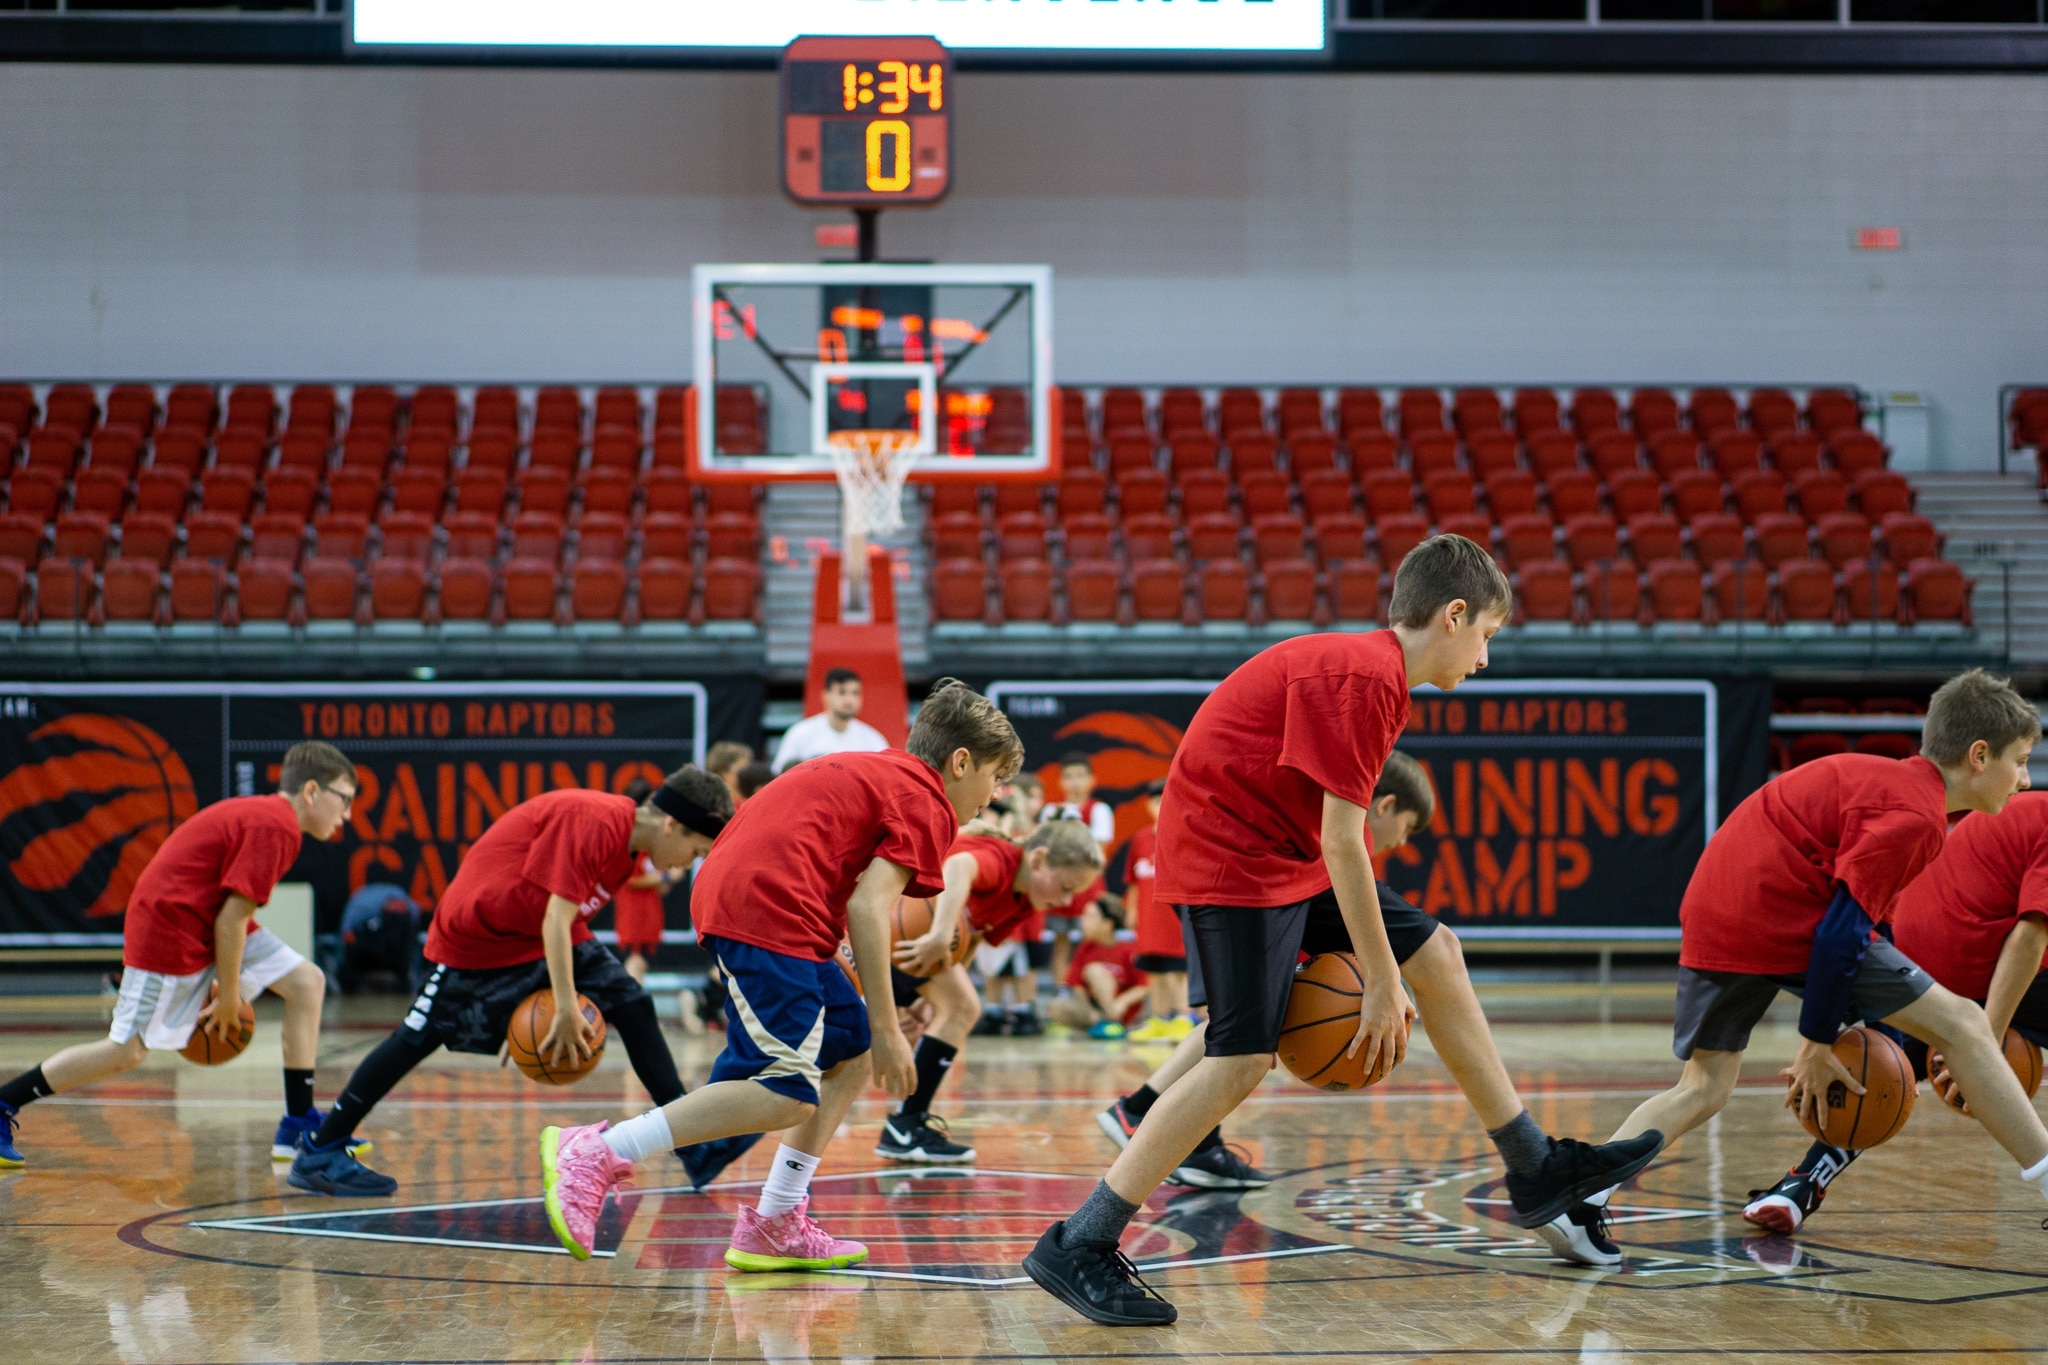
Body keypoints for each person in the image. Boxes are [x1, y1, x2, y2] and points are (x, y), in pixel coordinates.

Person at [1021, 535, 1661, 1328]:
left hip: (1276, 846)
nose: (1487, 658)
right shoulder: (1367, 677)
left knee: (1438, 949)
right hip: (1233, 851)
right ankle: (1081, 1239)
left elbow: (1334, 842)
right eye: (1488, 635)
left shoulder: (1376, 674)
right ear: (1453, 614)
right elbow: (1340, 840)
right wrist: (1380, 981)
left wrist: (1397, 965)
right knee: (1240, 1058)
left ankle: (1533, 1164)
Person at [1550, 668, 2048, 1267]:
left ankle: (1582, 1196)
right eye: (2020, 760)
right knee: (1966, 1023)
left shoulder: (1892, 787)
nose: (2024, 778)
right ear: (1978, 756)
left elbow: (1871, 928)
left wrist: (1864, 1026)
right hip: (1778, 913)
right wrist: (1815, 1042)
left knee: (1704, 1087)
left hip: (1717, 907)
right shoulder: (1917, 813)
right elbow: (1840, 934)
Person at [539, 679, 1024, 1270]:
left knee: (854, 1053)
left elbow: (839, 889)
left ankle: (776, 1221)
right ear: (961, 761)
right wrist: (888, 1021)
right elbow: (869, 908)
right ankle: (597, 1151)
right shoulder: (927, 798)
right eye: (996, 777)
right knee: (785, 1089)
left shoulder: (883, 772)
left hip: (774, 906)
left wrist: (878, 1014)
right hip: (764, 909)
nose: (995, 795)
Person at [1100, 750, 1658, 1205]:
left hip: (1244, 861)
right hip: (1233, 866)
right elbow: (1343, 849)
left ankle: (1150, 1117)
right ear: (1384, 803)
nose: (1404, 844)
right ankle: (1141, 1118)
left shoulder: (1319, 819)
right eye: (1407, 828)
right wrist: (1385, 977)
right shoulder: (1342, 824)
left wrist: (1384, 976)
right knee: (1241, 1036)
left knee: (1256, 1022)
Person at [285, 767, 744, 1197]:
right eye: (697, 850)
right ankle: (322, 1150)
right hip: (478, 934)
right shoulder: (598, 820)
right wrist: (563, 1008)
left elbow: (560, 922)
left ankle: (693, 1147)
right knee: (418, 1035)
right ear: (673, 827)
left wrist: (529, 996)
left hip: (532, 931)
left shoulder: (632, 848)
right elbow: (555, 919)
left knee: (633, 1003)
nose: (687, 865)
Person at [0, 742, 356, 1170]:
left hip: (202, 916)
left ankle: (298, 1125)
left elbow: (230, 918)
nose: (348, 815)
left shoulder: (271, 818)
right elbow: (229, 923)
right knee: (125, 1051)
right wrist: (228, 1001)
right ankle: (5, 1102)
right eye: (345, 799)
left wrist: (232, 991)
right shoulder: (276, 825)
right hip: (170, 928)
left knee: (306, 982)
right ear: (313, 791)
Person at [1741, 785, 2048, 1234]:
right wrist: (1989, 1037)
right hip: (1974, 957)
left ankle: (1800, 1186)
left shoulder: (2016, 812)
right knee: (1914, 1062)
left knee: (1888, 1076)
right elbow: (2028, 936)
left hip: (1913, 956)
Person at [882, 818, 1106, 1162]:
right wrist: (941, 935)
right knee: (846, 1052)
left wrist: (932, 1000)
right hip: (892, 922)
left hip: (915, 944)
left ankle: (906, 1122)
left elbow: (972, 941)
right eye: (1065, 886)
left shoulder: (1025, 901)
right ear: (1038, 859)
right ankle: (904, 1122)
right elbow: (958, 867)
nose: (1065, 899)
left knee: (958, 1009)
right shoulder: (1002, 859)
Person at [1122, 782, 1192, 1043]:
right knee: (1154, 969)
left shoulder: (1183, 834)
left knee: (1178, 971)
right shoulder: (1140, 839)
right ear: (1147, 805)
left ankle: (1184, 1018)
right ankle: (1160, 1019)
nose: (1160, 806)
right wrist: (1131, 911)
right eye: (1155, 801)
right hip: (1149, 917)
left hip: (1175, 916)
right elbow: (1132, 879)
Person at [1041, 753, 1118, 985]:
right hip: (1060, 886)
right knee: (1060, 942)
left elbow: (1098, 854)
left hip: (1089, 888)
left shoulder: (1099, 810)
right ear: (1061, 782)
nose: (1074, 782)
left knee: (1089, 942)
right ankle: (1061, 991)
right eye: (1069, 777)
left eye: (1080, 776)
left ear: (1091, 780)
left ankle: (1086, 992)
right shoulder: (1050, 811)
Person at [612, 778, 681, 983]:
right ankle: (632, 1006)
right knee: (635, 959)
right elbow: (631, 879)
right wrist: (666, 876)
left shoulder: (647, 835)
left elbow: (654, 878)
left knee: (640, 960)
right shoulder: (632, 835)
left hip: (648, 909)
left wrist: (663, 879)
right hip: (634, 910)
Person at [1051, 902, 1150, 1039]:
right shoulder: (1085, 948)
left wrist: (1122, 1002)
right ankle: (1103, 1024)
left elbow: (1143, 987)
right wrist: (1089, 1011)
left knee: (1094, 971)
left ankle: (1114, 1022)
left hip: (1122, 1010)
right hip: (1097, 1011)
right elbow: (1076, 986)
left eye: (1090, 917)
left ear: (1107, 924)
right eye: (1084, 916)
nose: (1083, 922)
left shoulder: (1128, 950)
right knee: (1056, 1007)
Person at [773, 667, 889, 773]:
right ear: (825, 695)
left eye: (855, 693)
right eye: (842, 692)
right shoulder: (800, 734)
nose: (849, 700)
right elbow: (780, 774)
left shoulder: (872, 740)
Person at [337, 882, 423, 996]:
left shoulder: (408, 909)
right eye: (394, 912)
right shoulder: (362, 907)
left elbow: (416, 919)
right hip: (365, 946)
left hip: (394, 954)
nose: (398, 913)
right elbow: (347, 935)